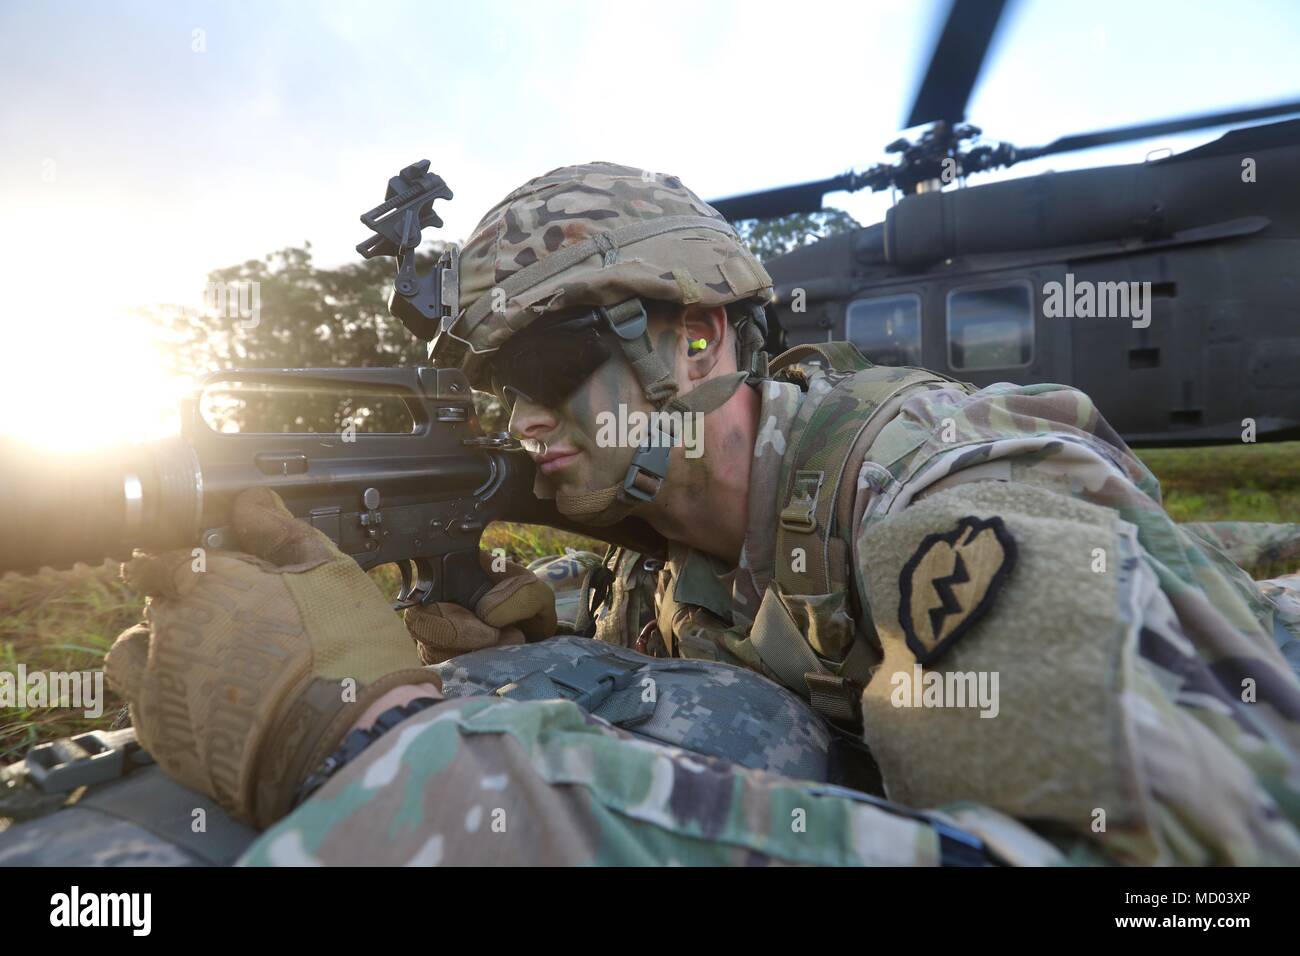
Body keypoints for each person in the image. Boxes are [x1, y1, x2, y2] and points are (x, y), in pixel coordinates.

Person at [106, 162, 1300, 866]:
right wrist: (552, 670)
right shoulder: (663, 555)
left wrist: (379, 745)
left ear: (697, 334)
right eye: (495, 385)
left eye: (556, 361)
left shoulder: (943, 495)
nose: (521, 417)